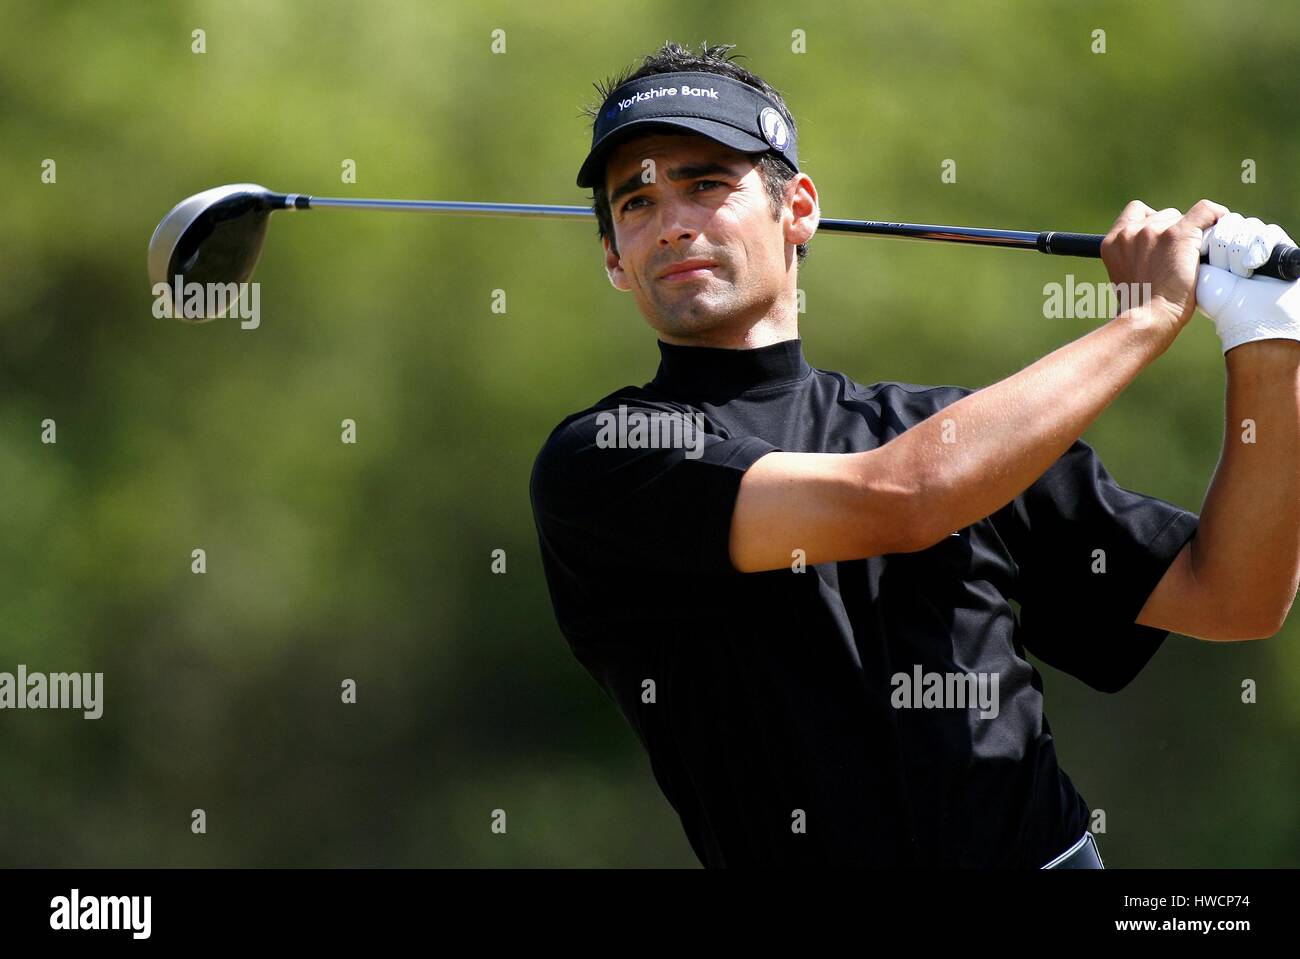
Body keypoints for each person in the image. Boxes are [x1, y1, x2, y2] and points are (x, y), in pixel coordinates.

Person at [529, 40, 1300, 868]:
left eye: (706, 183)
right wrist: (1145, 321)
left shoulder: (958, 432)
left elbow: (1234, 596)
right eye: (635, 203)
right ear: (613, 254)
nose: (672, 223)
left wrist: (1268, 342)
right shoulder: (606, 456)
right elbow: (901, 498)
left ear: (798, 210)